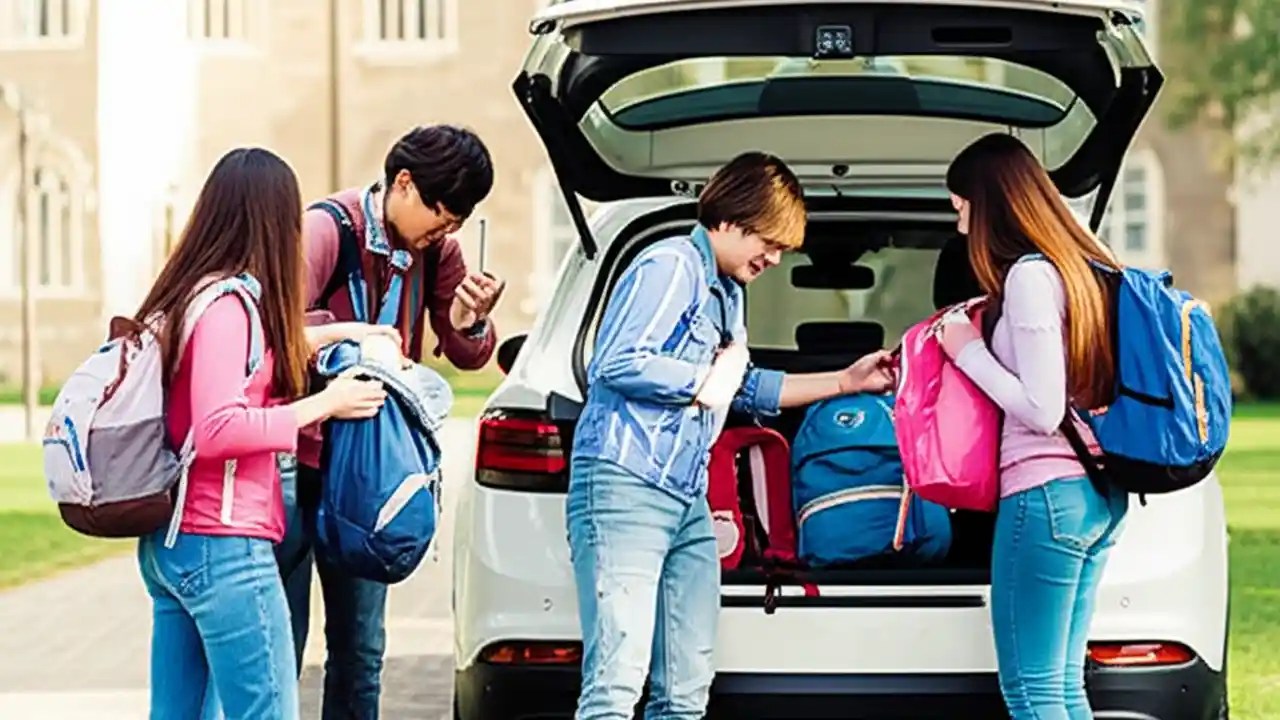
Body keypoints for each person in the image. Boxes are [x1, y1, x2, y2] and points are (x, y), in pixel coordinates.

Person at [568, 151, 897, 720]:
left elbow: (742, 388)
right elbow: (617, 362)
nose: (773, 257)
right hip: (626, 485)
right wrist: (705, 381)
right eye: (768, 241)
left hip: (685, 495)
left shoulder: (728, 292)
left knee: (687, 688)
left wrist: (846, 381)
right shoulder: (669, 265)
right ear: (730, 219)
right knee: (615, 685)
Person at [135, 147, 393, 719]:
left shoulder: (188, 295)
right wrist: (325, 404)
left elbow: (260, 361)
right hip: (225, 545)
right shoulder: (230, 306)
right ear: (274, 221)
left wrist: (350, 331)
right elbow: (219, 426)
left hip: (173, 544)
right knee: (269, 710)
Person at [275, 124, 504, 718]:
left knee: (361, 652)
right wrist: (352, 338)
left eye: (457, 223)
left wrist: (469, 318)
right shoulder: (326, 230)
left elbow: (468, 355)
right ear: (403, 183)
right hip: (301, 465)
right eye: (440, 215)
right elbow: (275, 334)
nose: (444, 232)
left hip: (373, 473)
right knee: (283, 645)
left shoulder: (437, 250)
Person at [939, 133, 1129, 720]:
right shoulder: (1085, 273)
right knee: (1064, 686)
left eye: (960, 206)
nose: (959, 222)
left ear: (988, 201)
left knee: (1032, 691)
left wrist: (966, 348)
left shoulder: (1028, 279)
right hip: (1096, 494)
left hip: (1045, 494)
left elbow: (1044, 410)